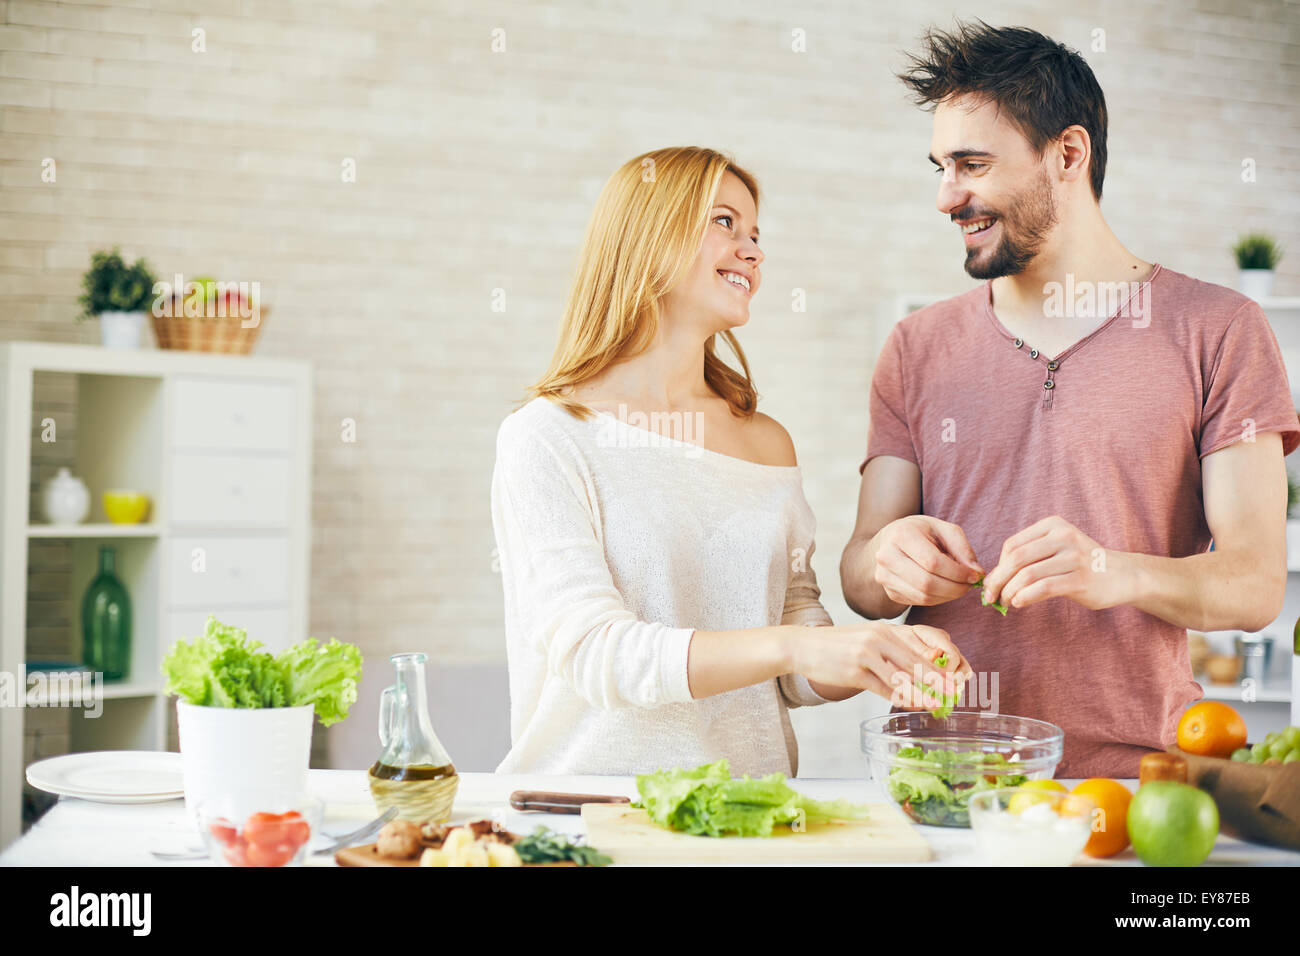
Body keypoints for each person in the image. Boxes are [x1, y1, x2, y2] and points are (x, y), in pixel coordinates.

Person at [841, 22, 1299, 777]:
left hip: (1135, 786)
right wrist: (888, 564)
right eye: (939, 167)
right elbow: (861, 581)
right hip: (940, 779)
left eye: (972, 164)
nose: (945, 196)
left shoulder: (1218, 330)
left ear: (1068, 154)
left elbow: (1253, 583)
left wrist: (1110, 569)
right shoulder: (915, 347)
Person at [491, 146, 969, 776]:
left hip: (748, 815)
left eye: (755, 234)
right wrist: (794, 646)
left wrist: (881, 652)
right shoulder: (549, 437)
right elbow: (598, 654)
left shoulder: (766, 443)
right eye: (723, 223)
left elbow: (794, 653)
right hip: (590, 818)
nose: (753, 250)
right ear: (646, 236)